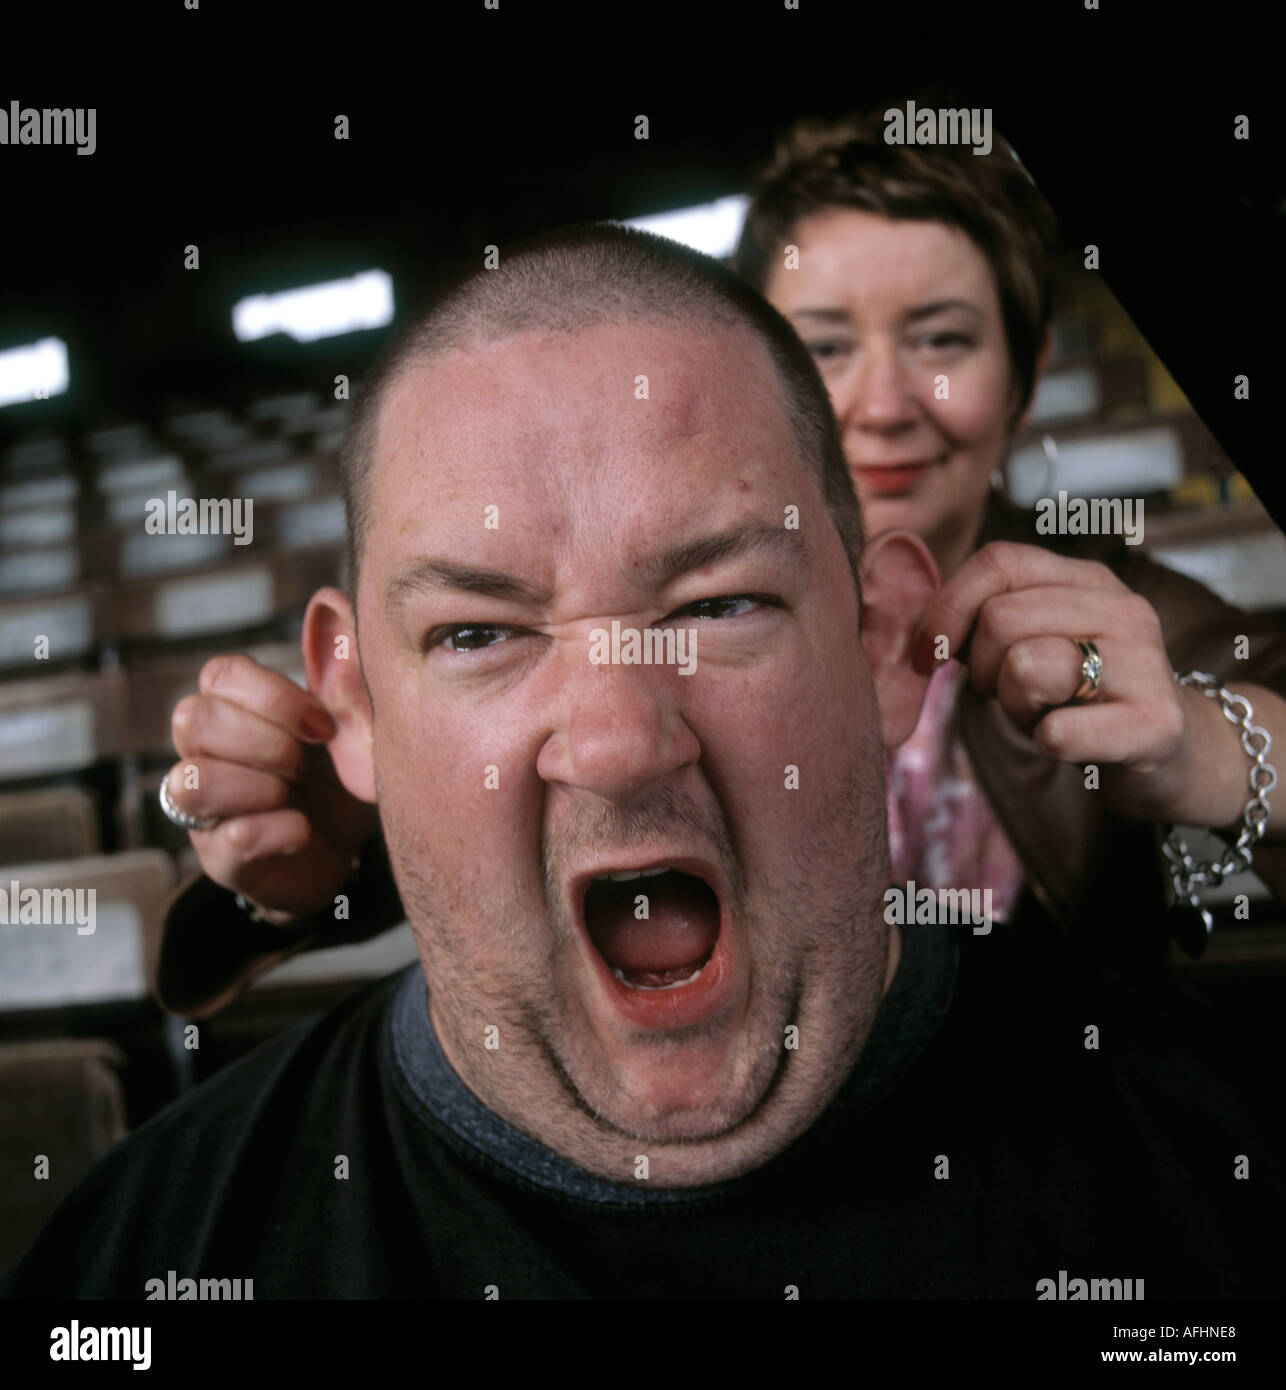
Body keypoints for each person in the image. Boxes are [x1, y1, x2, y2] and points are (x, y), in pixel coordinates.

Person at [4, 225, 1284, 1299]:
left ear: (889, 640)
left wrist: (1221, 754)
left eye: (716, 606)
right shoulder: (139, 1267)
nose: (616, 744)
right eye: (478, 632)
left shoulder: (1218, 1170)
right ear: (357, 705)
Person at [152, 109, 1286, 1016]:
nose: (879, 404)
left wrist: (1204, 749)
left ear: (1023, 371)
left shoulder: (1121, 608)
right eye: (824, 346)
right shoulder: (599, 658)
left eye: (941, 339)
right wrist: (315, 863)